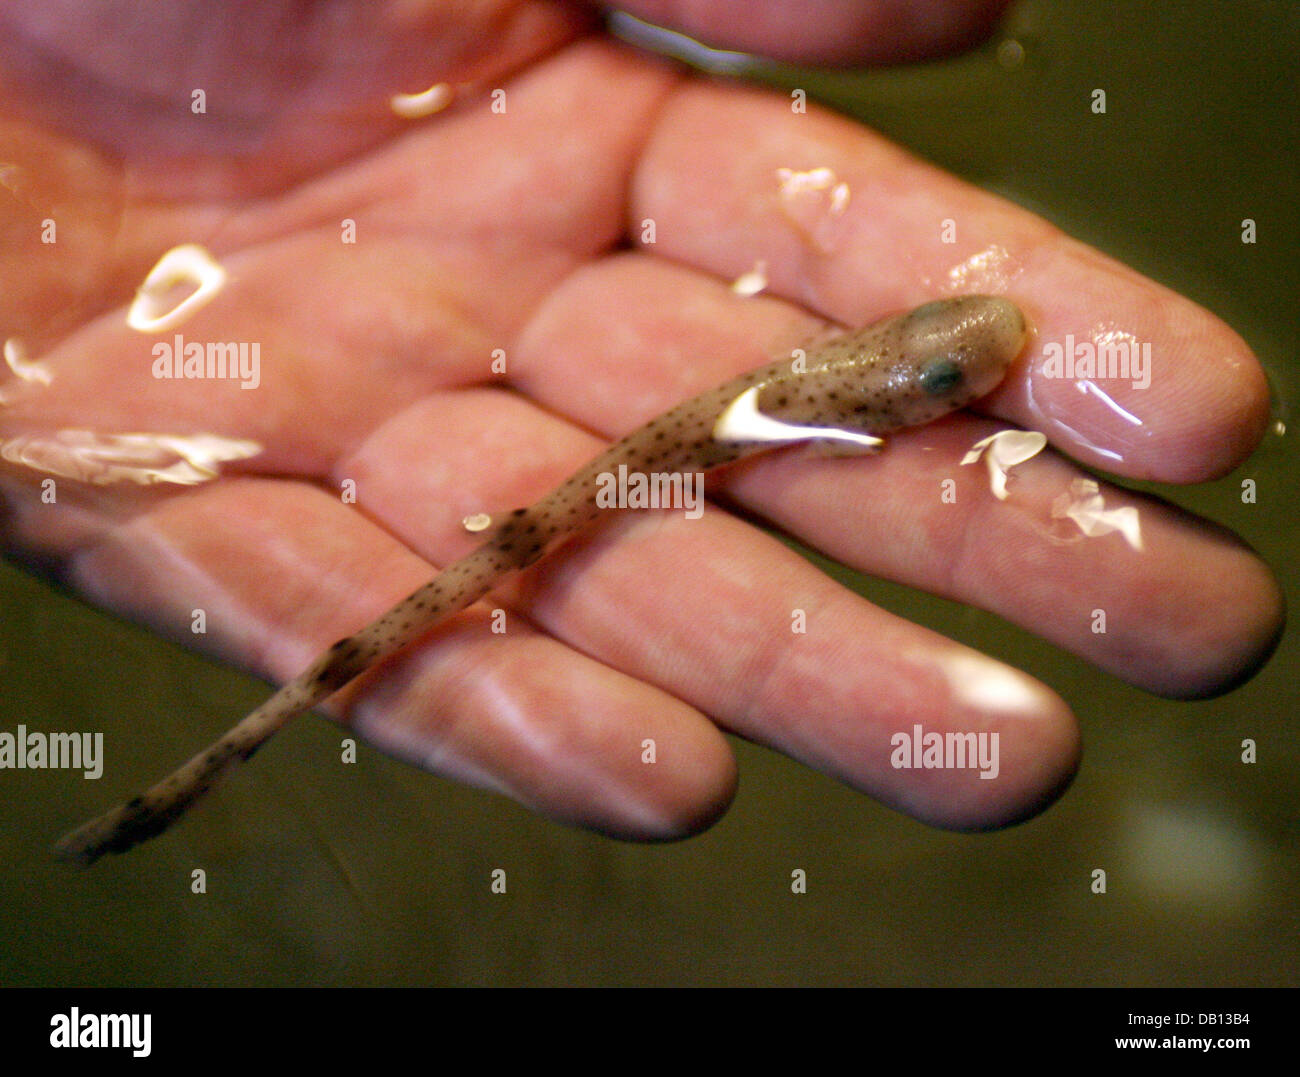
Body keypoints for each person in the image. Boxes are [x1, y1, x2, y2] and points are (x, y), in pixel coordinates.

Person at [0, 0, 1281, 846]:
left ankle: (221, 758)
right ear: (876, 385)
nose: (959, 374)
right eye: (937, 383)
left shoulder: (843, 387)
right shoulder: (844, 394)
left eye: (938, 386)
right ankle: (218, 761)